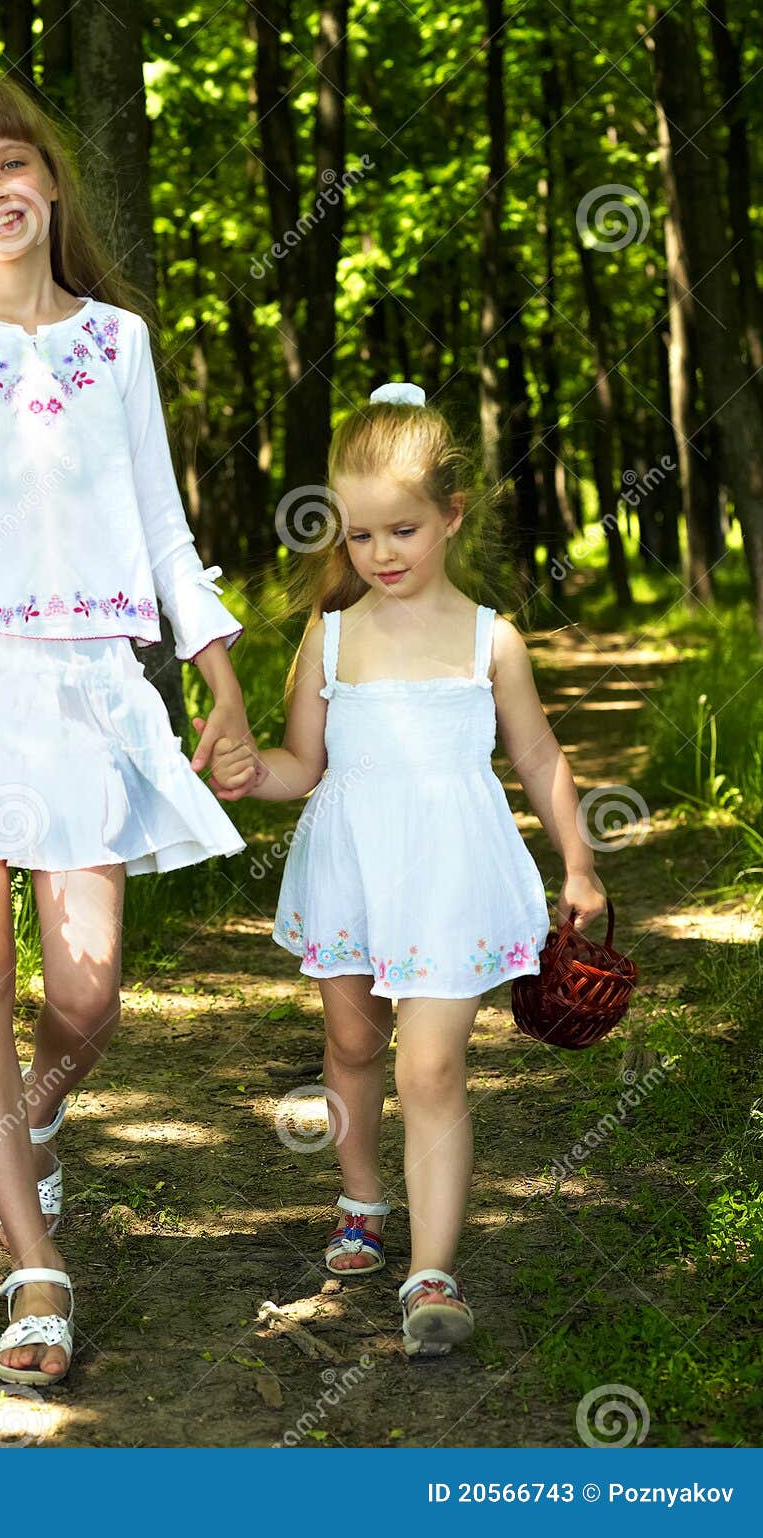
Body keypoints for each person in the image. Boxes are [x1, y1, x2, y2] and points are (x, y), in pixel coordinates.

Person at [0, 66, 255, 1385]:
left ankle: (29, 1117)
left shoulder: (117, 343)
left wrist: (216, 664)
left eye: (9, 166)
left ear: (47, 179)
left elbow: (161, 523)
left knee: (87, 988)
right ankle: (34, 1263)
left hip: (86, 682)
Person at [206, 383, 606, 1357]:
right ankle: (360, 1199)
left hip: (451, 876)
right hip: (350, 871)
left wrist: (581, 861)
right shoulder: (330, 637)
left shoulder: (492, 640)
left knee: (431, 1066)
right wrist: (252, 773)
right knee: (350, 1048)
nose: (380, 554)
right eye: (358, 535)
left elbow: (542, 758)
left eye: (403, 530)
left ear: (453, 515)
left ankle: (432, 1273)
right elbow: (308, 766)